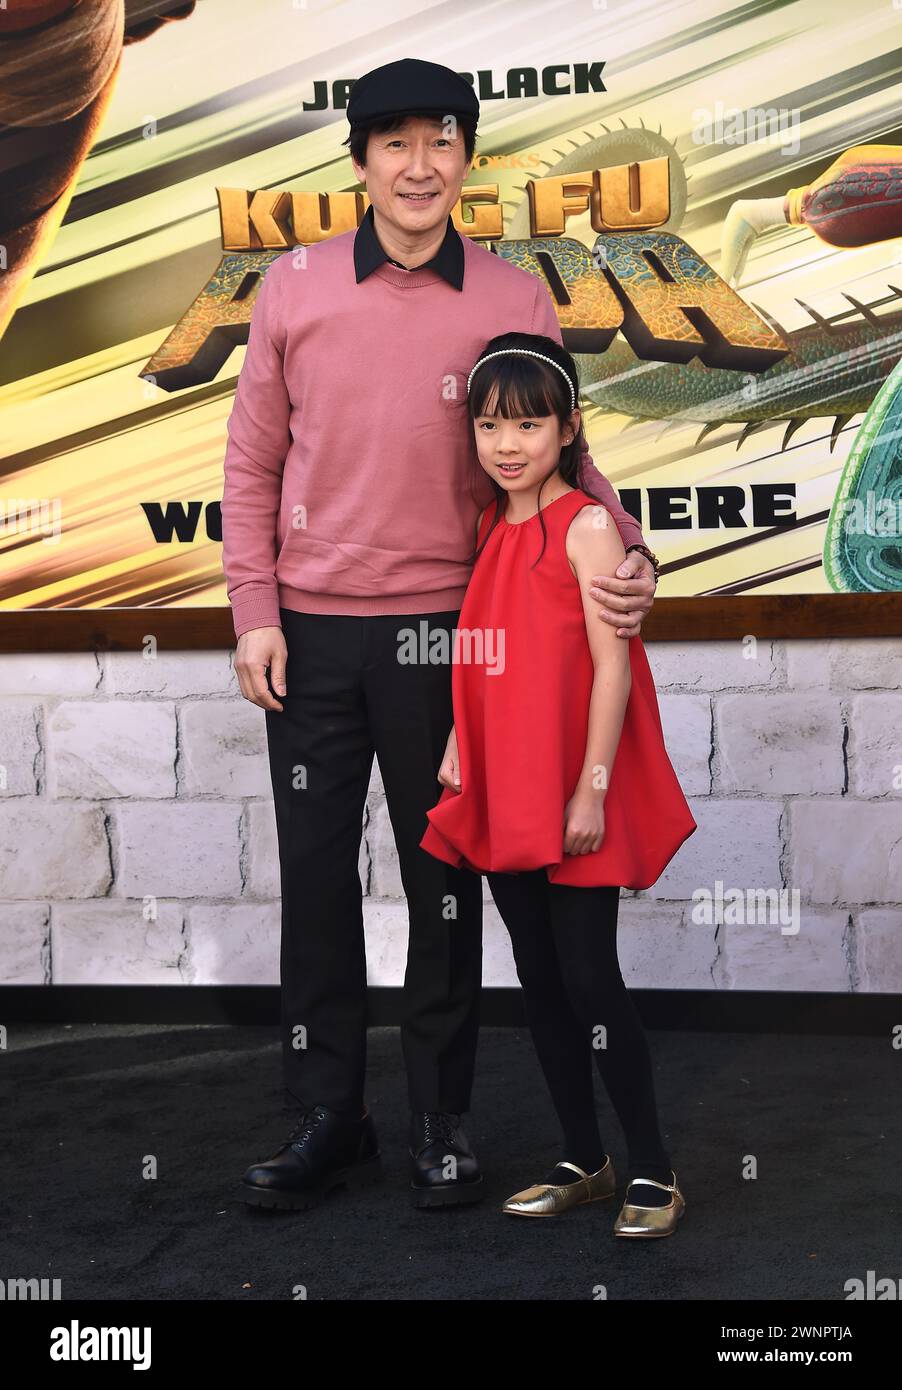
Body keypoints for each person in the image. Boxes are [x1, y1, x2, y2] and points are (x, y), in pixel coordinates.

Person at [221, 57, 660, 1212]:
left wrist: (629, 545)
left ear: (466, 158)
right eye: (395, 143)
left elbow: (568, 446)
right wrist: (254, 612)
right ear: (359, 161)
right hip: (311, 634)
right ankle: (328, 1118)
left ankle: (440, 1121)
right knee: (316, 882)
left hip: (450, 636)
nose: (419, 164)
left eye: (441, 141)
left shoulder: (513, 297)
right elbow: (251, 463)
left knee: (443, 885)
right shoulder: (294, 286)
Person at [420, 332, 697, 1236]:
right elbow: (484, 643)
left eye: (529, 423)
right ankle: (585, 1157)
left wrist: (592, 790)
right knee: (537, 977)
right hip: (505, 782)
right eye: (491, 425)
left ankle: (652, 1168)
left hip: (575, 784)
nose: (508, 443)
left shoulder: (587, 525)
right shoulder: (490, 527)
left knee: (590, 978)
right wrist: (462, 738)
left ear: (570, 425)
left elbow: (613, 671)